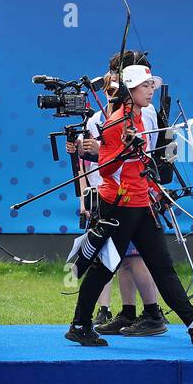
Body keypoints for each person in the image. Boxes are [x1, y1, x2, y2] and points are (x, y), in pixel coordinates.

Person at [66, 63, 193, 347]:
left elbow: (143, 164)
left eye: (151, 85)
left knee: (162, 266)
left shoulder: (140, 118)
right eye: (145, 86)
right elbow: (106, 169)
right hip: (118, 206)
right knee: (105, 267)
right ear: (130, 90)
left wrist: (153, 188)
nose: (150, 90)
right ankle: (80, 324)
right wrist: (126, 151)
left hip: (141, 203)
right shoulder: (116, 122)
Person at [69, 51, 166, 336]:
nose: (109, 85)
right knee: (115, 260)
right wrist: (85, 192)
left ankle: (153, 313)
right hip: (107, 194)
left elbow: (138, 155)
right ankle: (125, 313)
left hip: (131, 196)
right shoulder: (102, 117)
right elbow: (91, 163)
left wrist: (103, 152)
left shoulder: (142, 113)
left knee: (134, 259)